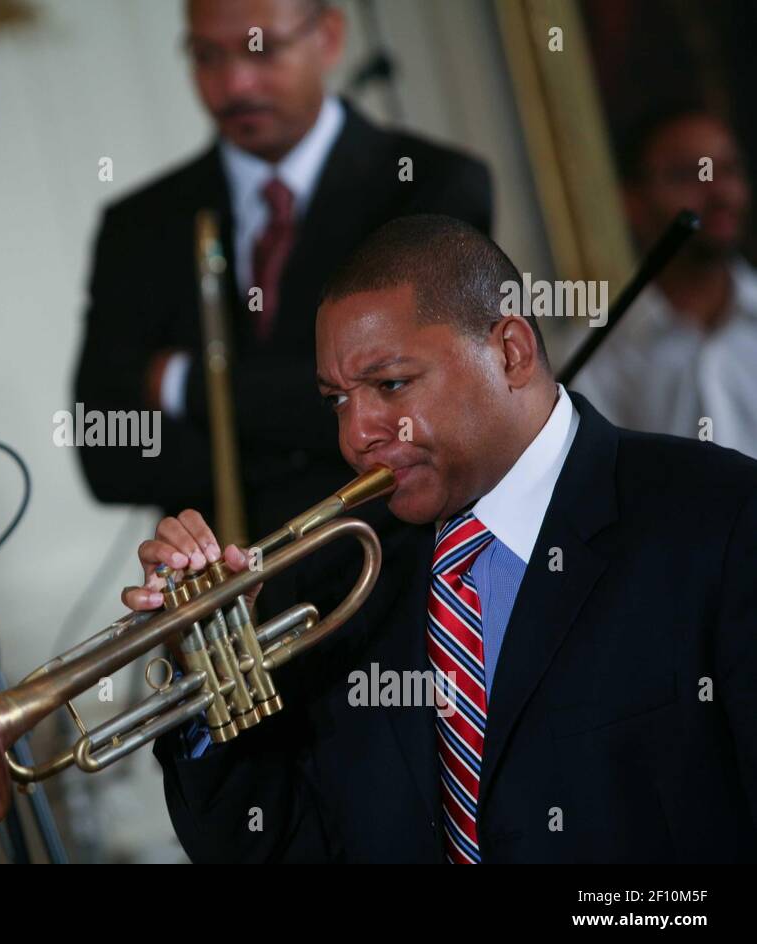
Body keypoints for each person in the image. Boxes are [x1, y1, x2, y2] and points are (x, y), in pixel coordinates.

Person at [129, 214, 757, 862]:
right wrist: (204, 671)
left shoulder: (722, 518)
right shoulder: (339, 584)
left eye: (390, 384)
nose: (356, 435)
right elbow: (279, 846)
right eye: (336, 400)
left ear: (510, 352)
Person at [75, 0, 491, 610]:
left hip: (403, 588)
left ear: (328, 36)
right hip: (225, 615)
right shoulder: (138, 226)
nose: (234, 83)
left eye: (260, 50)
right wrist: (306, 425)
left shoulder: (431, 184)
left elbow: (427, 407)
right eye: (206, 57)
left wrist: (188, 386)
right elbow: (105, 450)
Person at [576, 107, 757, 459]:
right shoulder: (596, 357)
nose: (719, 193)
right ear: (632, 201)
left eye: (729, 170)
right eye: (689, 175)